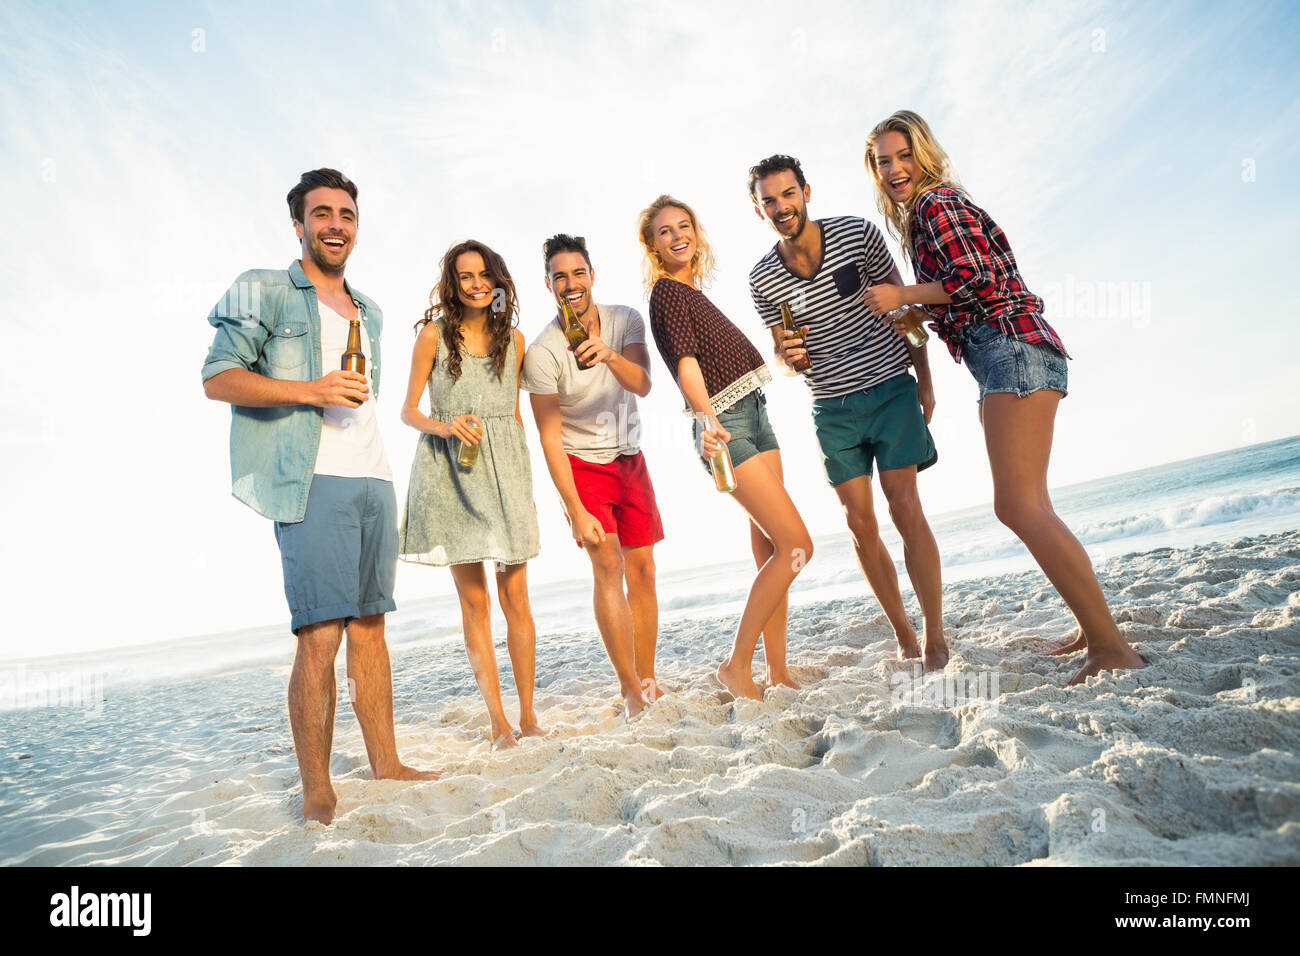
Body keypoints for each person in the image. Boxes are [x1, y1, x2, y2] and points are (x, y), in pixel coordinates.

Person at [863, 109, 1145, 684]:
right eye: (883, 162)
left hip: (1012, 350)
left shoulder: (937, 204)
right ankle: (1093, 631)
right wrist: (919, 312)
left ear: (923, 154)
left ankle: (1111, 648)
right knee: (1035, 504)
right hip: (1013, 351)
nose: (894, 170)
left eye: (903, 155)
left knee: (1017, 507)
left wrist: (902, 294)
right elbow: (968, 290)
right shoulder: (930, 212)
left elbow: (977, 280)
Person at [201, 168, 437, 825]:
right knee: (320, 634)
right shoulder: (263, 289)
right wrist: (310, 391)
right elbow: (218, 377)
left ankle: (386, 764)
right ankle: (318, 790)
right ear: (298, 224)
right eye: (322, 213)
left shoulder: (372, 311)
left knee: (372, 628)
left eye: (347, 215)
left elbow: (366, 401)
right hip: (311, 479)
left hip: (374, 478)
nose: (336, 225)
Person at [747, 154, 949, 672]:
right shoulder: (763, 278)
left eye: (788, 194)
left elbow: (905, 309)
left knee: (905, 507)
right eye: (769, 200)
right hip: (831, 407)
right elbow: (783, 355)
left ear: (806, 192)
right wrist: (788, 358)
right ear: (758, 209)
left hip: (889, 388)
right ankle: (904, 634)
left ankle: (934, 635)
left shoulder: (857, 235)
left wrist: (925, 380)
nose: (781, 207)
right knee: (859, 523)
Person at [637, 194, 814, 701]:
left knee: (772, 549)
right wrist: (706, 418)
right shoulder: (667, 293)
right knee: (797, 546)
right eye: (665, 231)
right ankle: (737, 666)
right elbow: (685, 364)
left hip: (756, 415)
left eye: (684, 226)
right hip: (725, 422)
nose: (678, 236)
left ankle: (776, 672)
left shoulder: (693, 292)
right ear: (653, 245)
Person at [398, 239, 543, 749]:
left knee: (516, 597)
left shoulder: (514, 339)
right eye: (465, 276)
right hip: (451, 476)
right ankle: (498, 722)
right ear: (453, 284)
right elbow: (408, 412)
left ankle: (529, 716)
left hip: (505, 475)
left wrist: (524, 487)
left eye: (484, 275)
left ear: (497, 280)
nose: (477, 284)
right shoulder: (432, 336)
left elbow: (516, 418)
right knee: (475, 602)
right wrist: (445, 426)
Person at [521, 235, 664, 719]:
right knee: (608, 568)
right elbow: (548, 438)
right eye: (559, 276)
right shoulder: (543, 352)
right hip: (581, 464)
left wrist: (608, 354)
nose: (570, 284)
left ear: (592, 276)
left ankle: (647, 678)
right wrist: (575, 509)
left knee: (644, 570)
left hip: (629, 457)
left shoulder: (625, 320)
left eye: (578, 273)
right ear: (549, 285)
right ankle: (630, 690)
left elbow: (643, 383)